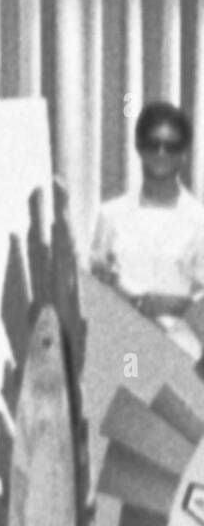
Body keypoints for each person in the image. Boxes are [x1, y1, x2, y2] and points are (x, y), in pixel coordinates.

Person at [90, 102, 204, 361]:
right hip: (126, 352)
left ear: (184, 154)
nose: (161, 153)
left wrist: (173, 304)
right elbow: (97, 289)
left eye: (172, 146)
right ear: (139, 148)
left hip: (181, 351)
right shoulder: (111, 216)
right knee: (127, 392)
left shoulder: (199, 221)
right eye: (153, 144)